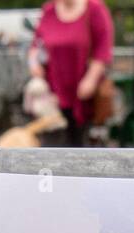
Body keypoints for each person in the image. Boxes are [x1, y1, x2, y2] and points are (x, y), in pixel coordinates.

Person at [27, 0, 113, 146]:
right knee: (53, 144)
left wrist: (91, 79)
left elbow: (102, 51)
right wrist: (33, 63)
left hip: (85, 98)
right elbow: (36, 46)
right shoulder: (49, 10)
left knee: (82, 145)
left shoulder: (95, 9)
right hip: (53, 96)